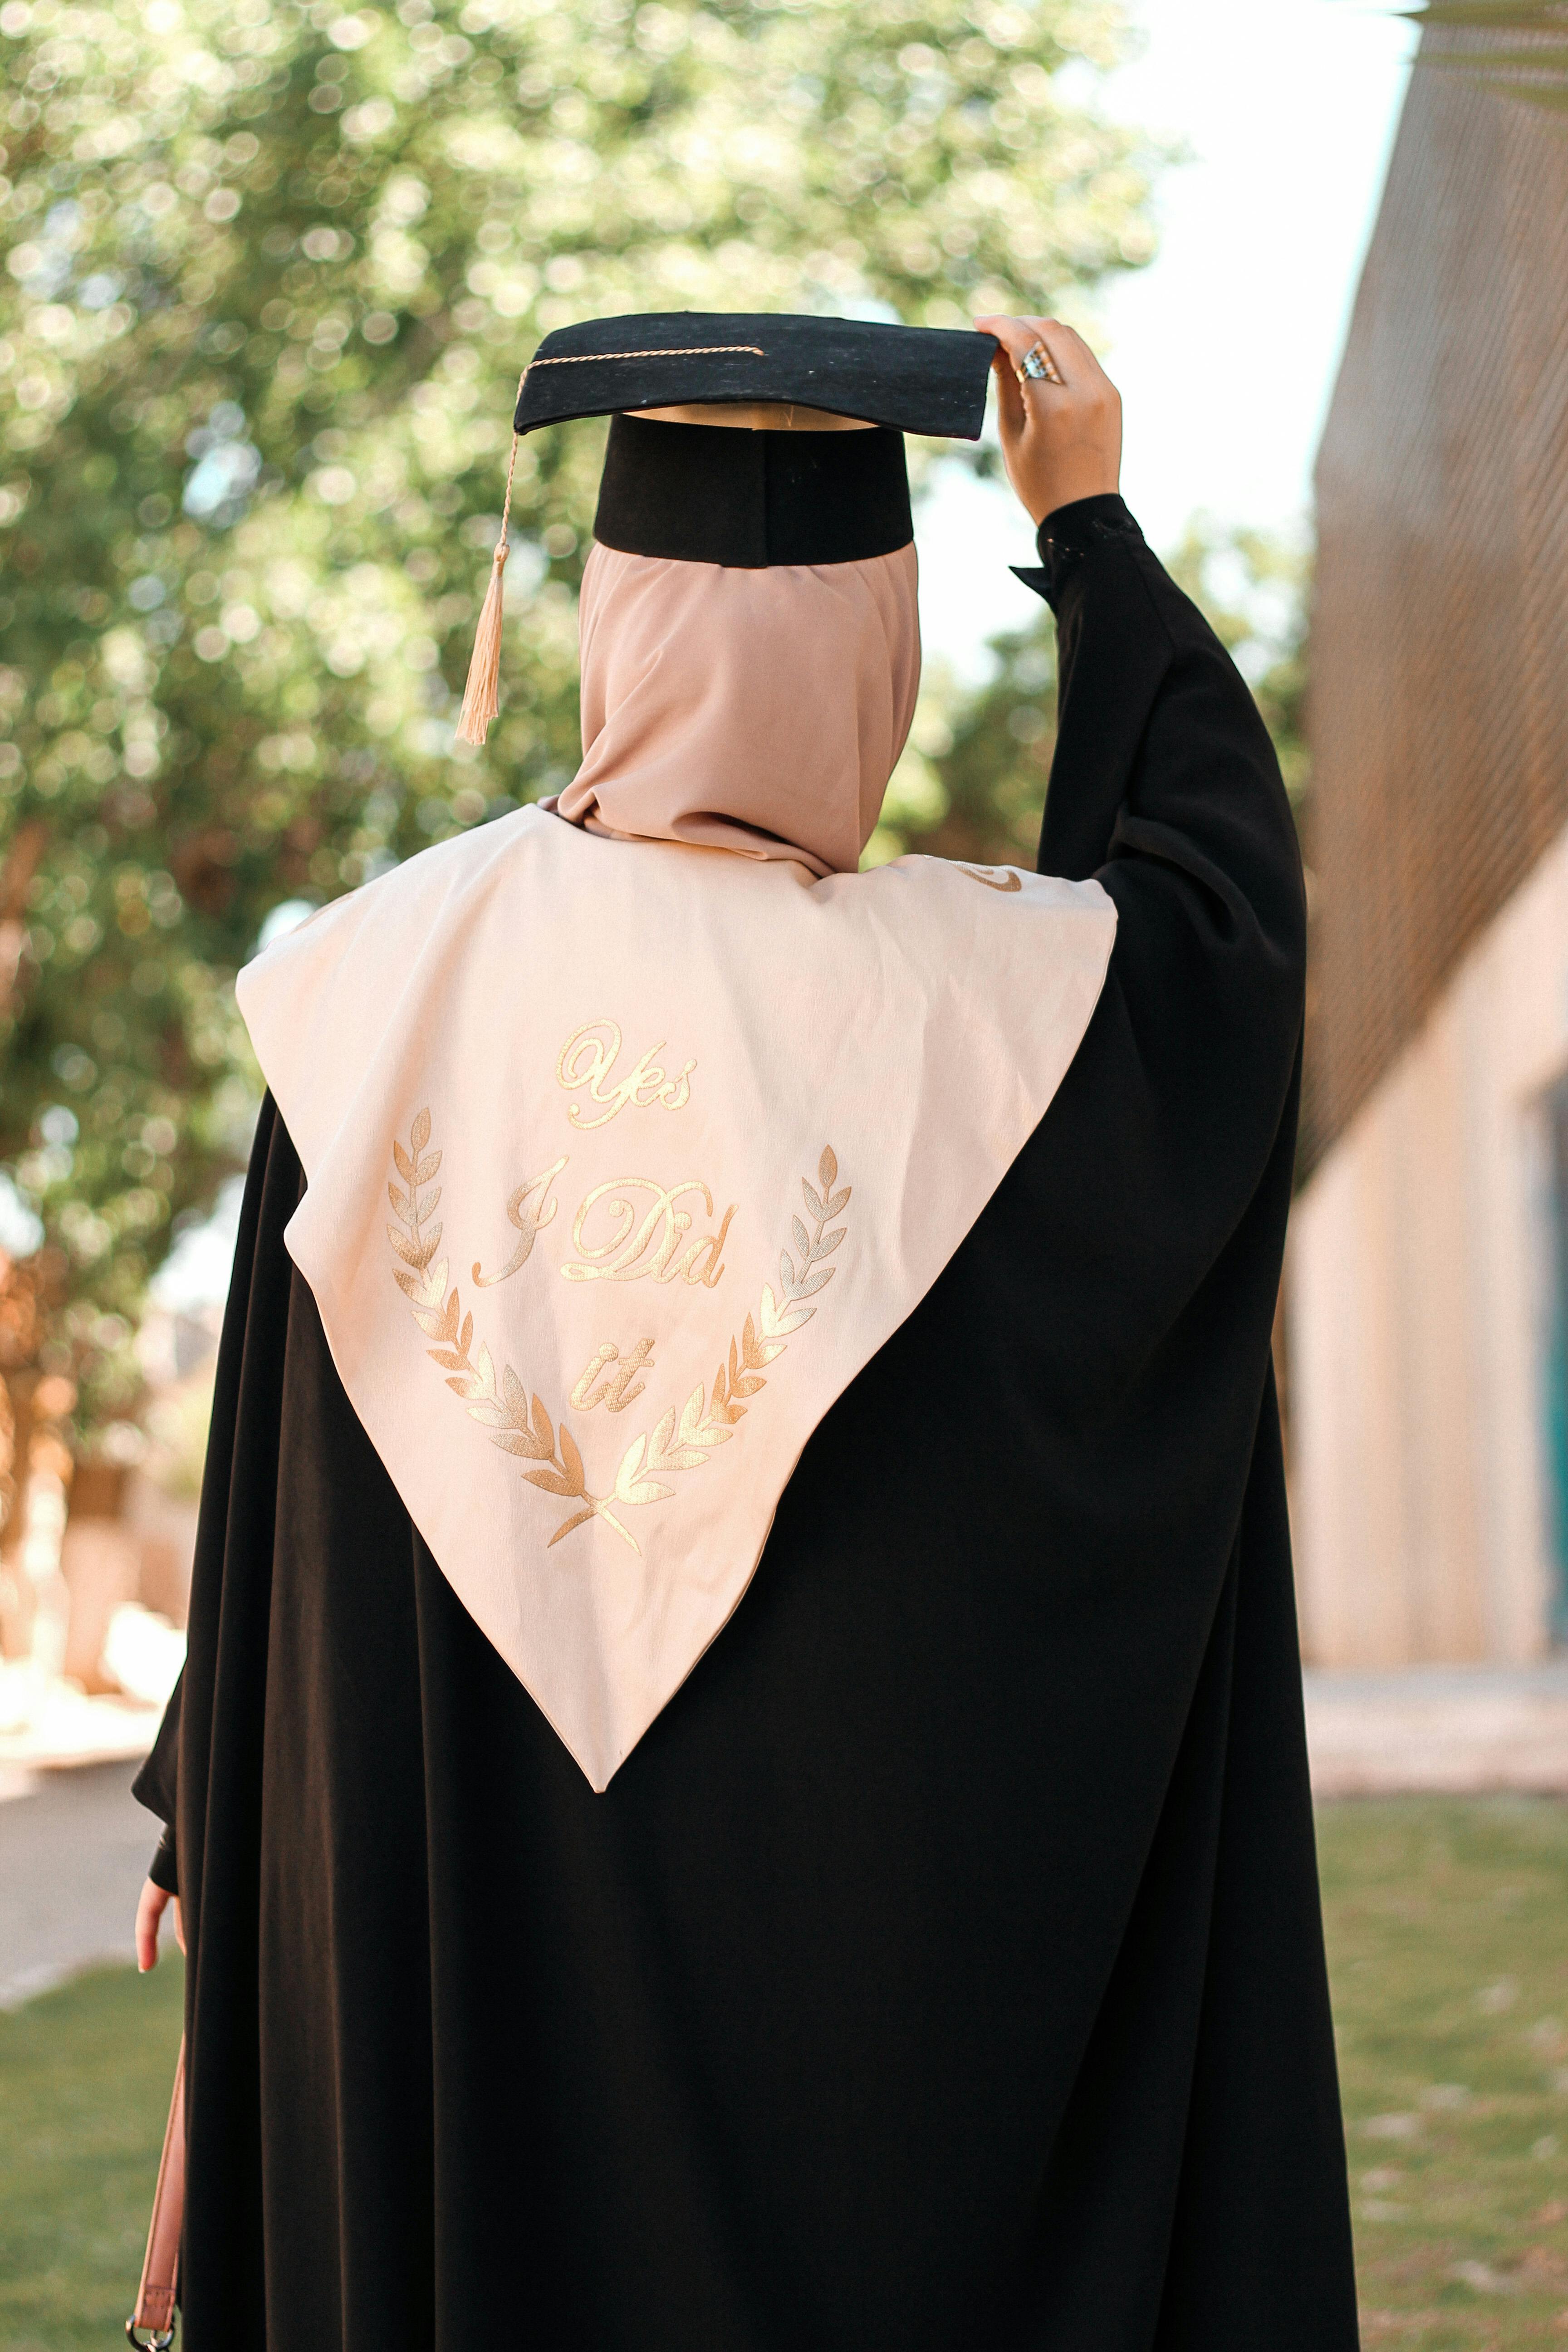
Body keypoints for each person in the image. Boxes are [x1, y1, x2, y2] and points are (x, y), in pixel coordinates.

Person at [132, 309, 1359, 2351]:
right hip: (884, 2112)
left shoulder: (370, 1002)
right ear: (873, 662)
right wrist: (1098, 532)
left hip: (479, 2048)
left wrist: (213, 1774)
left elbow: (285, 1483)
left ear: (609, 623)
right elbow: (1227, 935)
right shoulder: (1000, 1029)